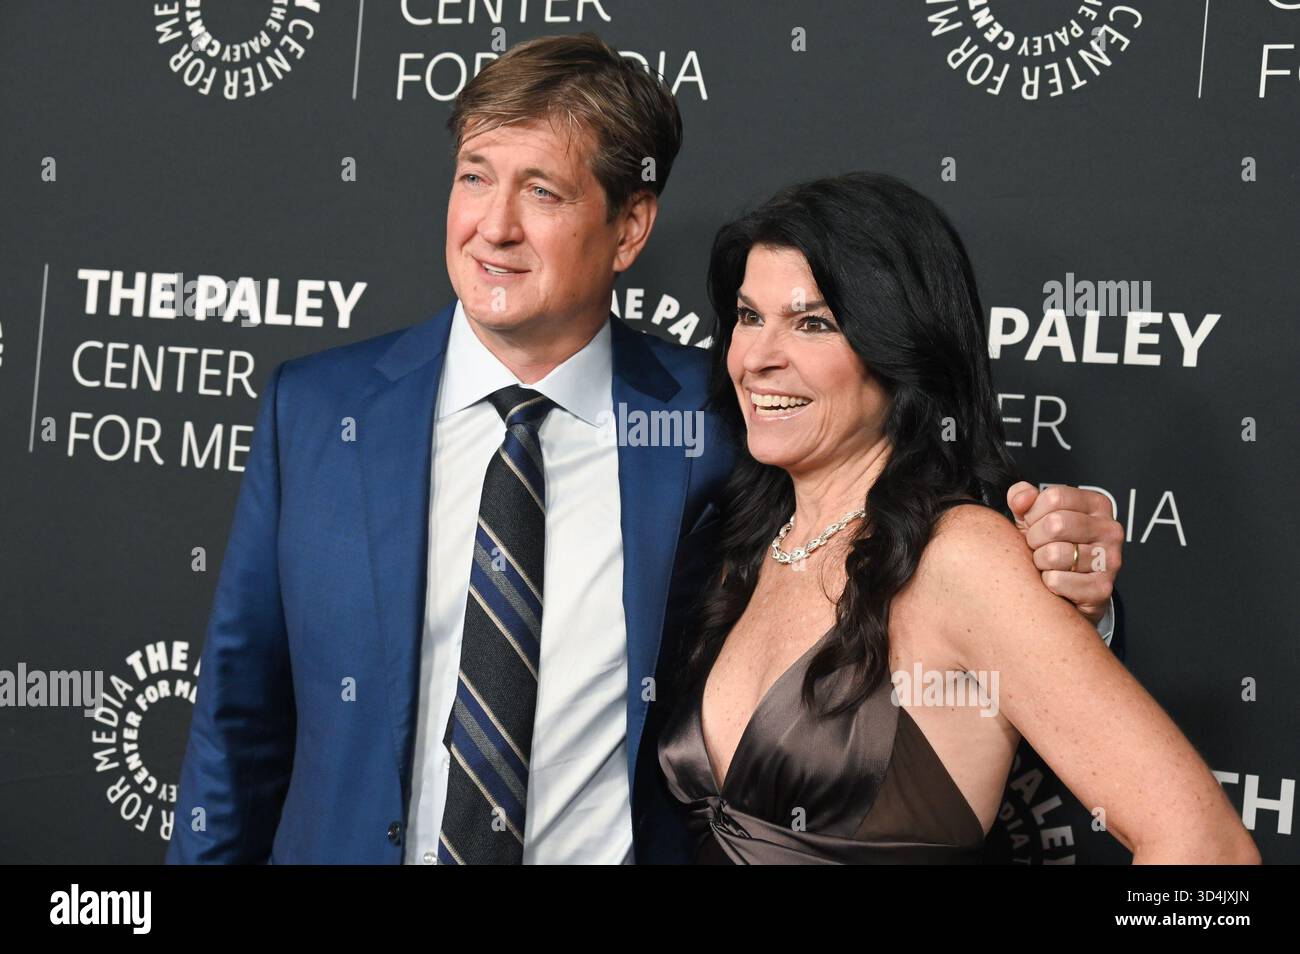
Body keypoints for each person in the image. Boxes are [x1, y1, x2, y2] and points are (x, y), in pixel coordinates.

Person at [167, 33, 1123, 865]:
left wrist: (1068, 587)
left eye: (541, 190)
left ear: (630, 228)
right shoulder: (319, 411)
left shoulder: (729, 424)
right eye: (474, 176)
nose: (492, 227)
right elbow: (238, 722)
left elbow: (900, 563)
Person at [657, 172, 1259, 865]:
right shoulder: (747, 547)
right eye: (748, 316)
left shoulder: (962, 557)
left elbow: (1210, 850)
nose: (758, 358)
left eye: (813, 323)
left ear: (899, 345)